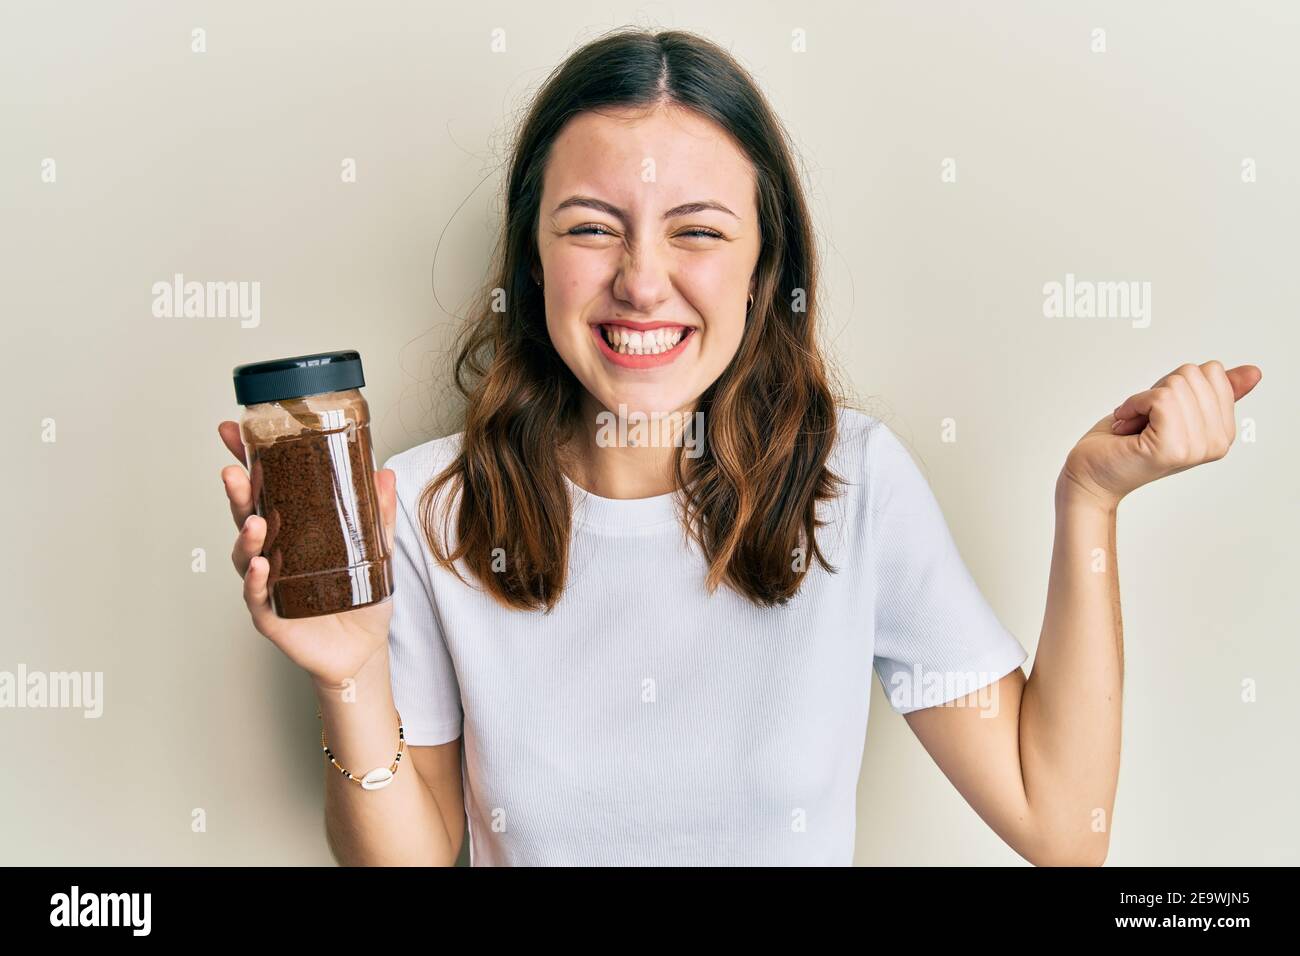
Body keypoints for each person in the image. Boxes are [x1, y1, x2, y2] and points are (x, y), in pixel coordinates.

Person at [217, 27, 1262, 866]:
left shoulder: (853, 483)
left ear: (764, 266)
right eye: (589, 226)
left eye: (698, 230)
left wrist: (1090, 499)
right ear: (532, 260)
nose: (640, 279)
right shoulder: (424, 502)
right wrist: (347, 673)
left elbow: (1059, 823)